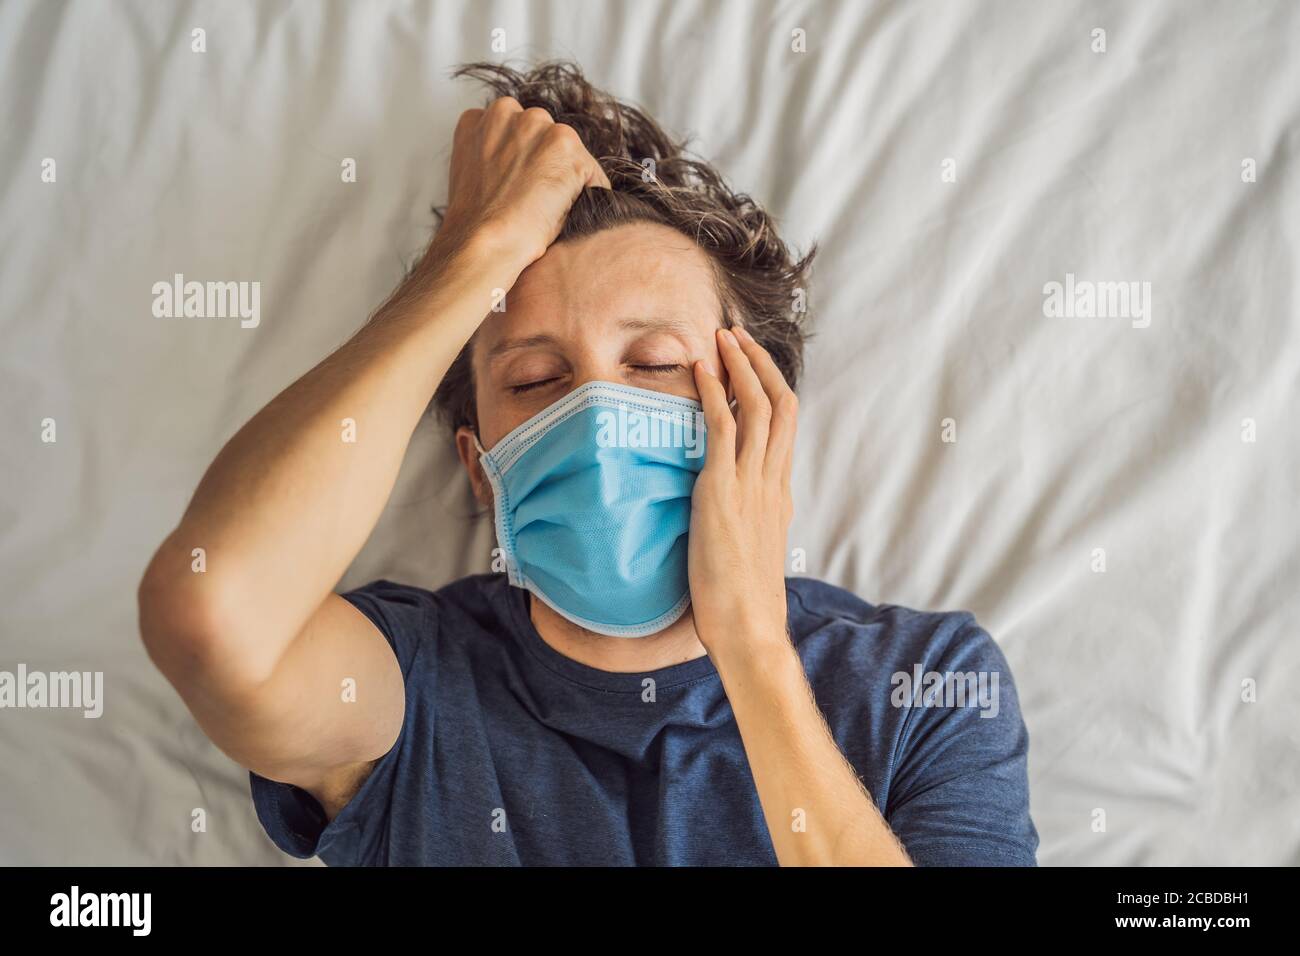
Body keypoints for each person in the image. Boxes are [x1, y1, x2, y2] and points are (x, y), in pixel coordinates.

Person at [138, 61, 1038, 866]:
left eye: (652, 365)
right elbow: (212, 611)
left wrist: (754, 649)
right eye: (534, 379)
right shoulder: (408, 692)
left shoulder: (920, 689)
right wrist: (472, 252)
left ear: (758, 416)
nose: (597, 418)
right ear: (481, 465)